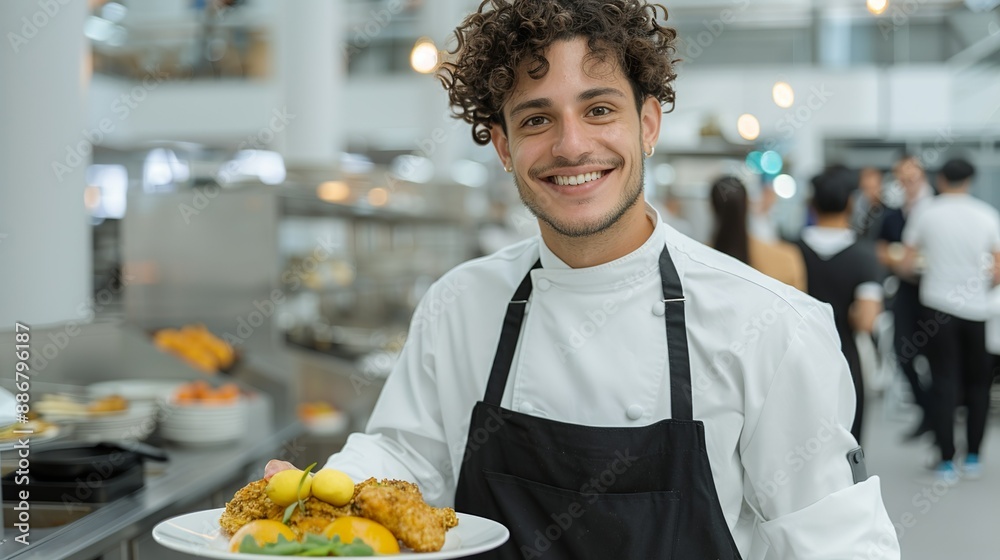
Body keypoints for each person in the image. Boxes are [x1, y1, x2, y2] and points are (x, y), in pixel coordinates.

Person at [267, 2, 899, 558]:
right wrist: (323, 494)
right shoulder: (459, 304)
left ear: (648, 126)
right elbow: (407, 459)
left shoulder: (769, 324)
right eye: (537, 119)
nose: (571, 146)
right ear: (505, 148)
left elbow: (835, 545)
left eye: (599, 109)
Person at [901, 158, 1000, 482]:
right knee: (978, 384)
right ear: (970, 179)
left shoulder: (926, 212)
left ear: (941, 179)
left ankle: (945, 460)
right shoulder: (986, 214)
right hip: (977, 310)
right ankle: (973, 456)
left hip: (937, 307)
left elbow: (907, 260)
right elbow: (997, 269)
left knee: (944, 380)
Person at [797, 167, 885, 443]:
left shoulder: (789, 250)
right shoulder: (864, 255)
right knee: (847, 443)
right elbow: (866, 321)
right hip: (845, 359)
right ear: (850, 203)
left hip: (795, 358)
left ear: (811, 203)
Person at [878, 154, 935, 440]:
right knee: (903, 351)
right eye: (903, 179)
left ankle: (939, 415)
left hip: (934, 288)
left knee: (937, 356)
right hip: (905, 286)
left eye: (913, 178)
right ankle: (929, 411)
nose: (908, 184)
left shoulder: (935, 209)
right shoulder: (893, 213)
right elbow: (882, 248)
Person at [710, 175, 807, 292]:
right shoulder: (786, 259)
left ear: (711, 206)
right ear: (747, 203)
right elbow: (799, 305)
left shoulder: (695, 261)